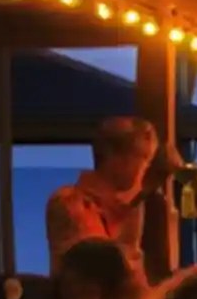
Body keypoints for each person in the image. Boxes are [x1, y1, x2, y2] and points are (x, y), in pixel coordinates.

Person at [45, 117, 161, 276]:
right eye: (142, 158)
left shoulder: (124, 206)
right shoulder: (70, 202)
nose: (145, 168)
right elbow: (105, 268)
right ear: (111, 155)